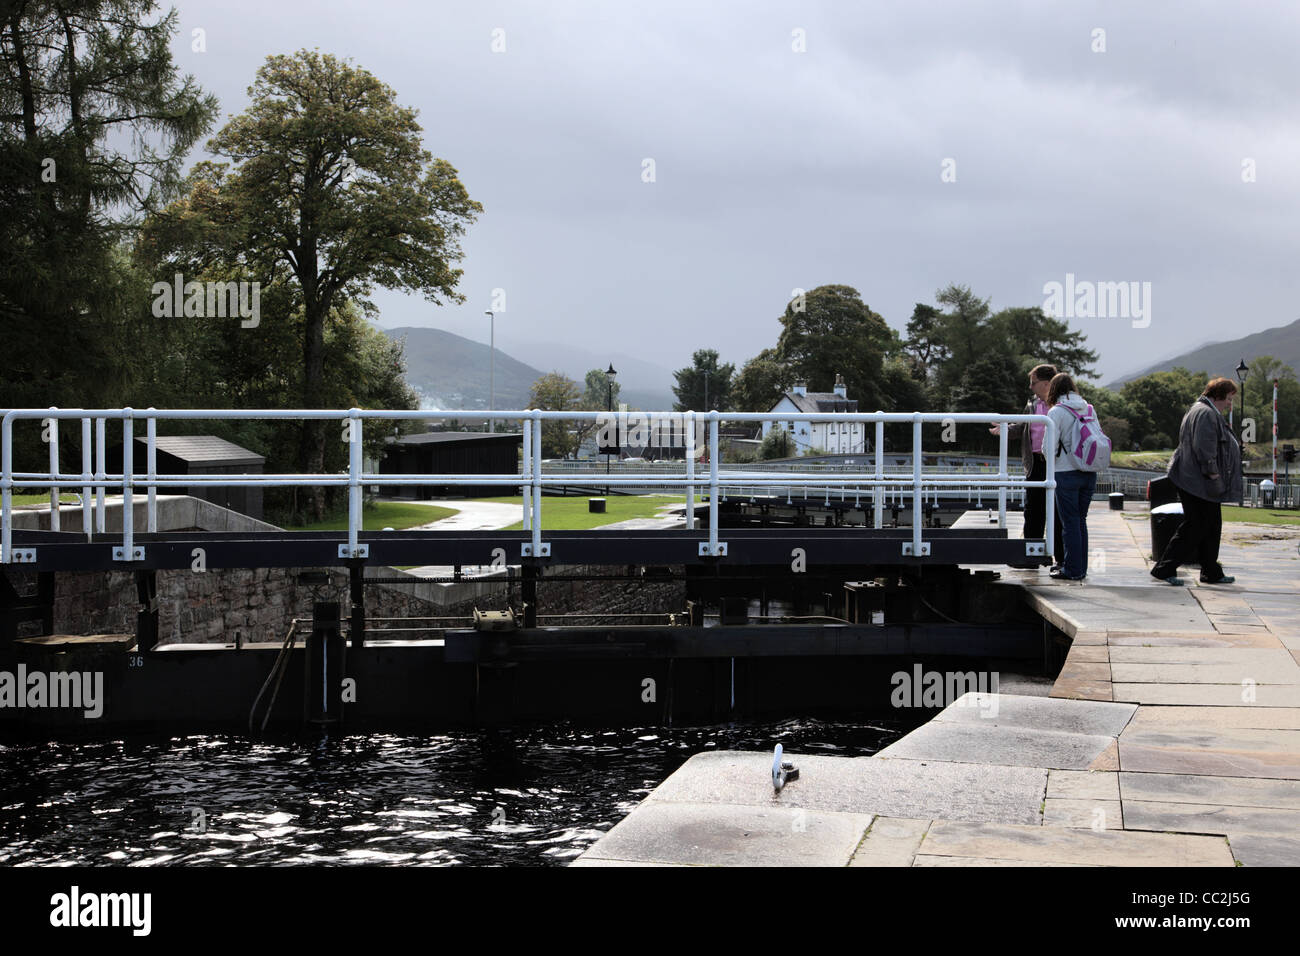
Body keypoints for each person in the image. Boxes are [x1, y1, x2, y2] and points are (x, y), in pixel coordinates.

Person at [1150, 378, 1242, 586]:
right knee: (1196, 526)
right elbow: (1204, 449)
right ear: (1218, 395)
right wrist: (1214, 476)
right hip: (1200, 483)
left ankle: (1210, 570)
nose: (1230, 403)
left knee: (1210, 526)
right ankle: (1165, 568)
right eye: (1228, 398)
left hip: (1196, 481)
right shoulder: (1206, 414)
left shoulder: (1201, 410)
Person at [991, 364, 1064, 569]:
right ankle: (1031, 556)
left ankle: (1060, 557)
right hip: (1035, 463)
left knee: (1058, 511)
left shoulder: (1060, 405)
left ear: (1046, 383)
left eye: (1033, 383)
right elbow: (1023, 428)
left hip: (1057, 464)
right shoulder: (1032, 404)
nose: (1030, 387)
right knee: (1033, 510)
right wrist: (1004, 429)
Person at [1046, 373, 1097, 581]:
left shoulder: (1056, 412)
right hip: (1089, 472)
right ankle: (1080, 568)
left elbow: (1048, 447)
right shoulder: (1089, 408)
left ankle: (1072, 570)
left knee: (1069, 523)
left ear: (1053, 390)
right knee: (1080, 521)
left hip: (1066, 473)